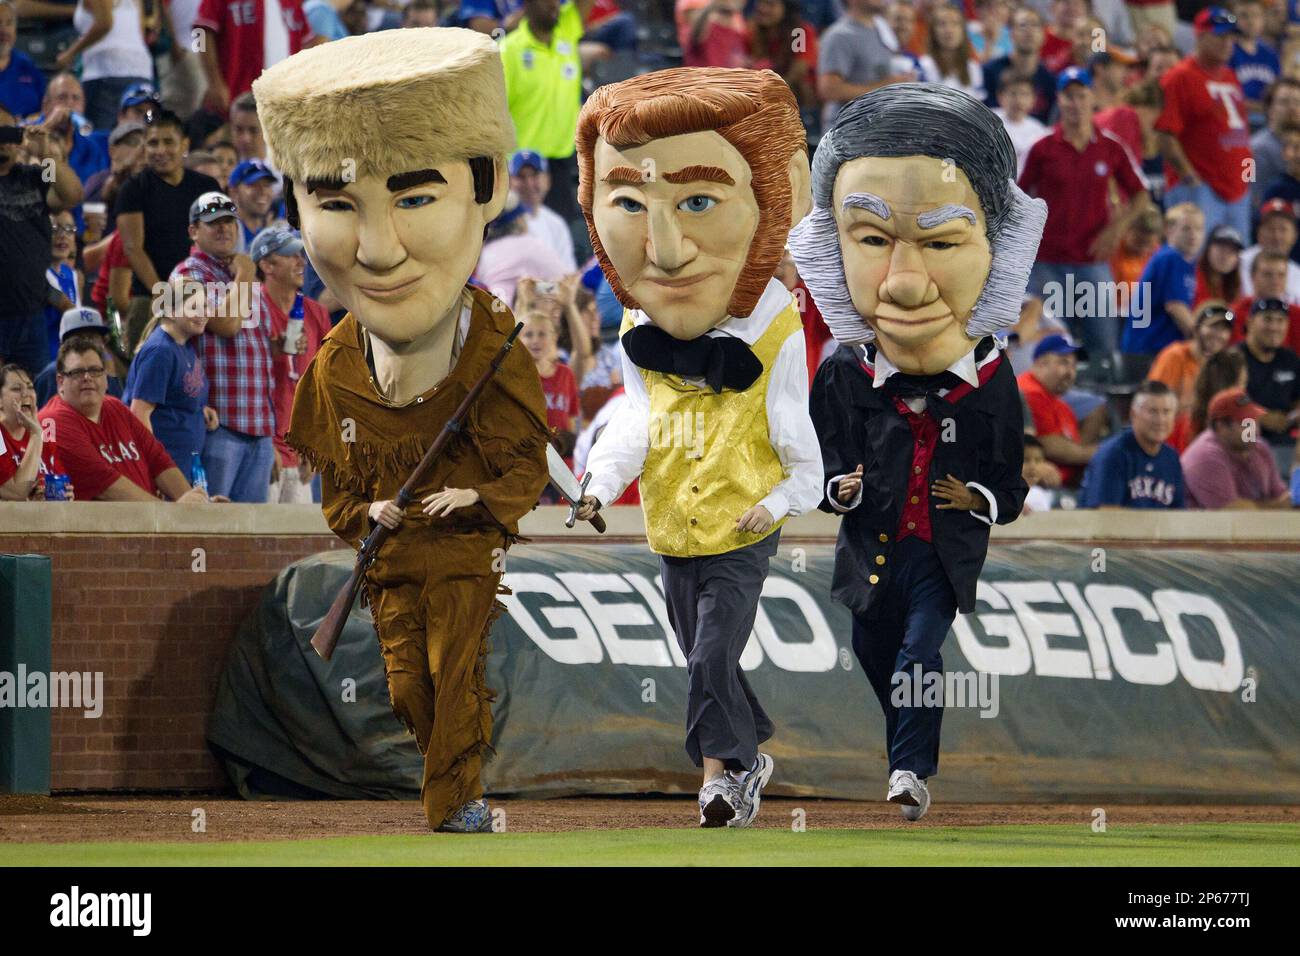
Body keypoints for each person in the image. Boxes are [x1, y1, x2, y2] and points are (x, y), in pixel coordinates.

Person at [255, 27, 549, 832]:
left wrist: (475, 495)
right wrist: (365, 517)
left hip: (459, 552)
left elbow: (527, 467)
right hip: (387, 562)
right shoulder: (333, 369)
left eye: (415, 198)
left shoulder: (496, 342)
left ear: (485, 186)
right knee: (406, 688)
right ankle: (454, 775)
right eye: (337, 205)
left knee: (454, 674)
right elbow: (336, 492)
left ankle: (453, 804)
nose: (378, 251)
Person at [574, 68, 821, 828]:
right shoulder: (634, 327)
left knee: (712, 655)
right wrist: (595, 485)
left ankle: (720, 782)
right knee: (703, 660)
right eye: (628, 204)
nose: (667, 250)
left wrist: (774, 504)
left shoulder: (775, 327)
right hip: (671, 521)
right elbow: (636, 420)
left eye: (699, 201)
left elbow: (805, 458)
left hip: (742, 524)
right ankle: (751, 748)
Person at [792, 84, 1039, 822]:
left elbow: (1011, 480)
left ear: (1002, 245)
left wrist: (979, 501)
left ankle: (908, 770)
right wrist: (840, 488)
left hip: (940, 553)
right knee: (879, 655)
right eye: (870, 238)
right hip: (871, 544)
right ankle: (904, 746)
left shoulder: (992, 379)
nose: (901, 280)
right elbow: (822, 459)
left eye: (940, 240)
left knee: (919, 654)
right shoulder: (842, 370)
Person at [1020, 67, 1152, 366]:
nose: (1075, 103)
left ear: (1092, 98)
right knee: (1048, 345)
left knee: (1104, 346)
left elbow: (1141, 194)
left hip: (1092, 259)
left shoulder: (1110, 147)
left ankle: (1101, 408)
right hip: (1046, 262)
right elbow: (1017, 196)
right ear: (1060, 100)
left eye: (1081, 95)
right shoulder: (1041, 148)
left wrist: (1116, 230)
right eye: (1069, 96)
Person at [169, 191, 274, 503]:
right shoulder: (189, 273)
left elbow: (262, 345)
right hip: (217, 424)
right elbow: (227, 325)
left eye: (229, 221)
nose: (224, 229)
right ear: (193, 231)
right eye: (212, 223)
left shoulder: (241, 274)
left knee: (252, 536)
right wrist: (244, 274)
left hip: (258, 424)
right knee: (212, 529)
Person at [37, 335, 214, 501]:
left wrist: (195, 506)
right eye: (76, 373)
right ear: (60, 382)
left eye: (95, 371)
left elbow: (158, 460)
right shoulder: (53, 421)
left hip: (148, 522)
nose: (87, 378)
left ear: (106, 379)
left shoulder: (115, 408)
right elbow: (106, 486)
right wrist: (172, 514)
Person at [114, 109, 222, 351]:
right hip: (151, 300)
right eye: (153, 143)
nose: (160, 150)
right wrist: (166, 297)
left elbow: (221, 238)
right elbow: (133, 248)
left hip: (205, 299)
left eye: (168, 142)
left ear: (184, 144)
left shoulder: (207, 186)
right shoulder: (133, 189)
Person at [0, 105, 84, 375]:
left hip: (31, 315)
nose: (3, 141)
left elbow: (70, 194)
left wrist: (46, 154)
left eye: (8, 133)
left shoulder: (35, 177)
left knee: (36, 395)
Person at [1156, 7, 1252, 240]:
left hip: (1237, 189)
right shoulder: (1179, 77)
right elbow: (1165, 133)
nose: (1228, 43)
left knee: (1233, 266)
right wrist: (1190, 177)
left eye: (1231, 37)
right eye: (1221, 36)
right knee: (1193, 261)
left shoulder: (1229, 75)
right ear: (1200, 35)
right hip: (1200, 187)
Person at [250, 225, 329, 503]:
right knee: (260, 537)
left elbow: (319, 385)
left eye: (301, 255)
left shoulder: (315, 312)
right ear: (267, 265)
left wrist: (313, 441)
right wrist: (263, 444)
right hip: (262, 446)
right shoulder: (250, 308)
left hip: (298, 448)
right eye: (291, 255)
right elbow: (245, 384)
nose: (301, 262)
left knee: (298, 540)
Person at [500, 0, 590, 226]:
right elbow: (495, 111)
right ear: (527, 5)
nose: (554, 5)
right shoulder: (509, 50)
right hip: (521, 168)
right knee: (523, 238)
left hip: (560, 162)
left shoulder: (566, 34)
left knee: (559, 237)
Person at [122, 278, 217, 476]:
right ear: (172, 311)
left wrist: (201, 409)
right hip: (166, 469)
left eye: (205, 306)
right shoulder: (160, 351)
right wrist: (155, 467)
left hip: (184, 464)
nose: (204, 313)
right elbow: (139, 413)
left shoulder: (183, 344)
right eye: (194, 307)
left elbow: (176, 393)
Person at [1121, 202, 1205, 374]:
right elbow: (1176, 307)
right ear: (1169, 231)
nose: (1193, 235)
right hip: (1148, 351)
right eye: (1186, 229)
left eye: (1198, 229)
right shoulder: (1170, 258)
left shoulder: (1188, 264)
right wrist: (1204, 342)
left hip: (1156, 351)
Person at [195, 0, 317, 115]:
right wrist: (213, 82)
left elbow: (306, 41)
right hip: (236, 96)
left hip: (282, 99)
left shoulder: (291, 3)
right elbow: (200, 32)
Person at [1078, 380, 1184, 508]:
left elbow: (1177, 515)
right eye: (1153, 412)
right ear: (1134, 414)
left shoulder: (1171, 458)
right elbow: (1106, 516)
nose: (1160, 420)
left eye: (1166, 412)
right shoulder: (1113, 455)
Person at [1181, 385, 1291, 507]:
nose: (1254, 429)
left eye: (1254, 419)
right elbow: (1234, 515)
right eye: (1246, 423)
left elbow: (1283, 498)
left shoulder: (1259, 448)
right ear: (1221, 426)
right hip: (1208, 526)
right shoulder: (1205, 457)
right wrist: (1277, 506)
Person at [59, 0, 153, 132]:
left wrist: (70, 53)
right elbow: (141, 29)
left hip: (105, 72)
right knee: (138, 136)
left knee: (103, 139)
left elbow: (104, 24)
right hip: (141, 71)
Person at [817, 0, 911, 130]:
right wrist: (884, 88)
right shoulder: (840, 36)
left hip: (875, 130)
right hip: (846, 133)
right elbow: (829, 90)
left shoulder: (882, 30)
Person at [1018, 334, 1096, 486]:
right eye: (1064, 363)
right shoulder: (1029, 392)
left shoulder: (1062, 406)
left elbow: (1075, 451)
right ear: (1041, 363)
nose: (1070, 372)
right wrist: (1102, 453)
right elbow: (1051, 446)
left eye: (1074, 366)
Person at [1237, 297, 1300, 475]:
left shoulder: (1289, 359)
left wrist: (1295, 415)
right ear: (1250, 322)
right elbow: (1228, 402)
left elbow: (1297, 398)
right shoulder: (1235, 358)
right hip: (1246, 440)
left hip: (1285, 442)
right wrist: (1263, 417)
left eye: (1280, 321)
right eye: (1267, 319)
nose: (1274, 327)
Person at [1148, 299, 1235, 417]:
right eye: (1213, 327)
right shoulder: (1174, 356)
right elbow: (1155, 402)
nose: (1219, 334)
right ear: (1196, 328)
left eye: (1224, 329)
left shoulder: (1224, 364)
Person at [33, 306, 125, 407]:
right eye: (79, 338)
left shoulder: (106, 373)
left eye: (92, 337)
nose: (87, 343)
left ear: (103, 342)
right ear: (63, 344)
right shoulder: (51, 375)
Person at [521, 309, 579, 468]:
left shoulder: (566, 374)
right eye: (528, 335)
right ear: (519, 339)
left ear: (554, 337)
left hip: (561, 460)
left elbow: (571, 418)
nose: (535, 340)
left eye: (541, 334)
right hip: (529, 459)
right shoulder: (518, 376)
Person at [0, 362, 64, 499]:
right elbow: (17, 493)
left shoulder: (46, 432)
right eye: (16, 389)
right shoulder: (38, 433)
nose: (26, 394)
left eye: (30, 387)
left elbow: (58, 483)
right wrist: (36, 435)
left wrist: (65, 495)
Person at [982, 6, 1056, 124]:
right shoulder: (990, 71)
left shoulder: (1050, 79)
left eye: (1035, 25)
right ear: (1010, 33)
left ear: (1044, 35)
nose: (1029, 30)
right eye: (1023, 25)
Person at [508, 150, 576, 274]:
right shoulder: (500, 223)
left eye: (535, 175)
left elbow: (568, 275)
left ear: (547, 180)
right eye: (521, 177)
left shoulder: (556, 224)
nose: (529, 184)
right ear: (509, 182)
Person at [748, 0, 818, 111]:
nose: (763, 8)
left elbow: (799, 70)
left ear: (787, 9)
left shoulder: (798, 32)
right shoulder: (755, 31)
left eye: (770, 4)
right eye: (761, 3)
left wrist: (773, 91)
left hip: (799, 103)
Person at [1230, 250, 1300, 352]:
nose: (1275, 281)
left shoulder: (1297, 315)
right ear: (1252, 277)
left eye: (1281, 275)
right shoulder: (1234, 313)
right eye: (1268, 274)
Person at [1250, 77, 1300, 208]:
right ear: (1269, 109)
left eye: (1297, 102)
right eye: (1284, 102)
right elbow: (1251, 198)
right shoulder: (1254, 149)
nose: (1292, 108)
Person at [1239, 199, 1300, 302]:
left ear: (1294, 236)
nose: (1276, 236)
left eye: (1283, 229)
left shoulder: (1297, 272)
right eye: (1270, 229)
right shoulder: (1239, 263)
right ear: (1258, 233)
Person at [917, 2, 983, 98]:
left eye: (955, 23)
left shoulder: (973, 68)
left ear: (963, 31)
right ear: (933, 31)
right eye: (942, 24)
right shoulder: (923, 66)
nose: (949, 30)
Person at [1228, 0, 1277, 122]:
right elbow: (1228, 97)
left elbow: (1278, 91)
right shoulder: (1227, 52)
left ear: (1263, 19)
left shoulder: (1270, 53)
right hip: (1237, 119)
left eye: (1256, 15)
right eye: (1244, 15)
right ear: (1233, 19)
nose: (1250, 21)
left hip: (1269, 121)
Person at [993, 71, 1048, 177]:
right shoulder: (988, 122)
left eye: (1024, 94)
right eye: (1013, 94)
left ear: (1033, 99)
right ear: (1000, 96)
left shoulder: (1040, 132)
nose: (1018, 100)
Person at [0, 0, 46, 120]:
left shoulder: (27, 65)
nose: (4, 30)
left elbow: (46, 108)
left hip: (28, 134)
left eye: (9, 23)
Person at [227, 158, 280, 254]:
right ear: (234, 192)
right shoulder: (226, 231)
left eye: (267, 185)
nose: (263, 191)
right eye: (253, 185)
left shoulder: (277, 228)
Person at [1194, 224, 1243, 306]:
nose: (1225, 256)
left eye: (1231, 251)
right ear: (1208, 249)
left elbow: (1231, 315)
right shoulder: (1192, 277)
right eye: (1221, 248)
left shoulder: (1235, 286)